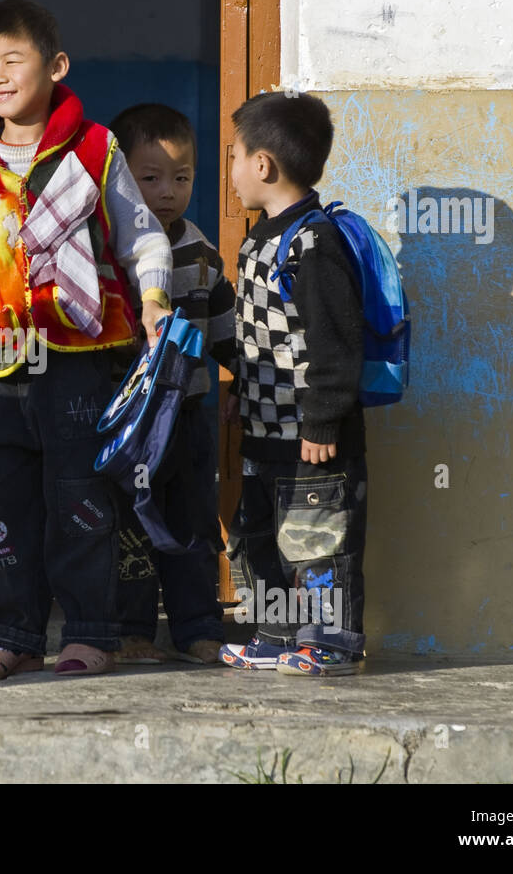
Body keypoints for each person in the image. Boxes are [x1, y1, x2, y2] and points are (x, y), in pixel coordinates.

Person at [0, 0, 174, 679]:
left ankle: (90, 633)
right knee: (1, 502)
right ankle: (15, 636)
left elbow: (141, 232)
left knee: (80, 497)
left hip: (78, 358)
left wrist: (152, 298)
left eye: (13, 62)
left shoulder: (94, 149)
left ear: (55, 67)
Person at [218, 90, 369, 675]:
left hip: (314, 438)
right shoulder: (259, 238)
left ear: (262, 165)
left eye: (234, 156)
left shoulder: (313, 242)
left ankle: (330, 642)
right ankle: (277, 635)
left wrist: (324, 418)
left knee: (320, 538)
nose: (229, 171)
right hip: (264, 430)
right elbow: (259, 332)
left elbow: (336, 342)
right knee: (262, 536)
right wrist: (238, 388)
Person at [108, 102, 235, 665]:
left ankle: (198, 627)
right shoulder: (109, 248)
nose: (166, 192)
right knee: (131, 524)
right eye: (150, 178)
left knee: (191, 523)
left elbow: (228, 328)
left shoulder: (201, 251)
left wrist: (248, 378)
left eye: (180, 179)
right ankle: (133, 632)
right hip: (129, 424)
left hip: (187, 414)